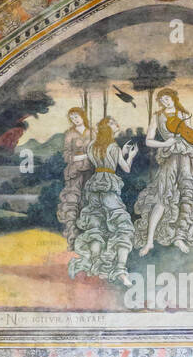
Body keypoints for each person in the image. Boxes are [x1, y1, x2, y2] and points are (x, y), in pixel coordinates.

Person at [134, 89, 193, 255]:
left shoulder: (184, 114)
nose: (165, 101)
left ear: (173, 98)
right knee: (163, 197)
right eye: (162, 99)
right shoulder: (157, 116)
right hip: (170, 157)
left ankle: (180, 236)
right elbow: (148, 141)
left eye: (167, 98)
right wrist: (166, 144)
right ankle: (150, 241)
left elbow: (191, 138)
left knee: (187, 196)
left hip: (186, 158)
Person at [67, 117, 138, 284]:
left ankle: (94, 267)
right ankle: (120, 269)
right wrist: (130, 155)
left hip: (94, 187)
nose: (117, 124)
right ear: (108, 128)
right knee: (122, 227)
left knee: (96, 228)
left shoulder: (92, 145)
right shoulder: (114, 146)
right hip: (109, 188)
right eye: (113, 123)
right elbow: (125, 168)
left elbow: (101, 160)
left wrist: (123, 152)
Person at [56, 107, 93, 246]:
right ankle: (72, 237)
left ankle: (88, 237)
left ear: (83, 116)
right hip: (74, 172)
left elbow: (96, 150)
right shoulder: (69, 134)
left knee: (88, 202)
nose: (75, 120)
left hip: (91, 171)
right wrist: (81, 157)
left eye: (77, 116)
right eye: (72, 118)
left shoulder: (92, 132)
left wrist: (91, 156)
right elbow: (66, 155)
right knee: (72, 203)